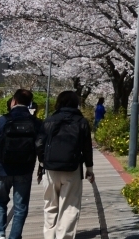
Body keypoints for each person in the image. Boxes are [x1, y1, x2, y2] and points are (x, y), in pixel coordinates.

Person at [0, 88, 43, 239]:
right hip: (25, 169)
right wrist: (42, 166)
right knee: (20, 207)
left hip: (4, 169)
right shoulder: (36, 123)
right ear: (30, 103)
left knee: (0, 202)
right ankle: (14, 237)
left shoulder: (2, 120)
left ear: (13, 101)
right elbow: (41, 145)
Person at [37, 90, 95, 239]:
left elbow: (39, 143)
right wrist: (89, 168)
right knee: (69, 206)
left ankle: (49, 236)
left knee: (50, 204)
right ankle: (64, 237)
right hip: (72, 168)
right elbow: (87, 147)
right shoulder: (81, 122)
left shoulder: (49, 120)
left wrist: (42, 162)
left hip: (50, 169)